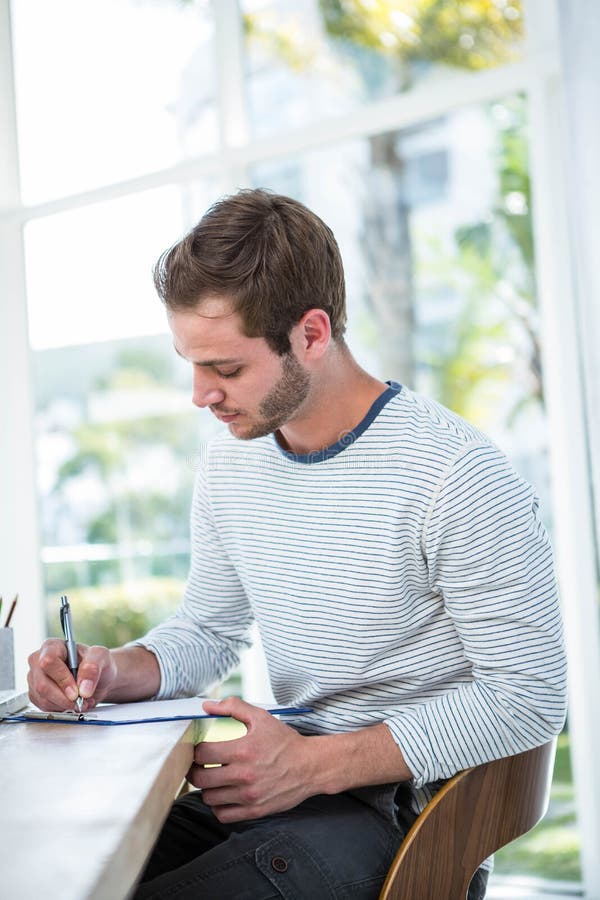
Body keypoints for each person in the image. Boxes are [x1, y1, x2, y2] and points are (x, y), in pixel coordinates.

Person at [27, 190, 567, 900]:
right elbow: (208, 631)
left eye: (225, 369)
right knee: (56, 873)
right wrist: (110, 671)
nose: (200, 395)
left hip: (409, 818)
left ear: (311, 334)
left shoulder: (455, 476)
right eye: (191, 364)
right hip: (291, 789)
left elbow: (528, 697)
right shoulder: (230, 464)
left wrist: (313, 767)